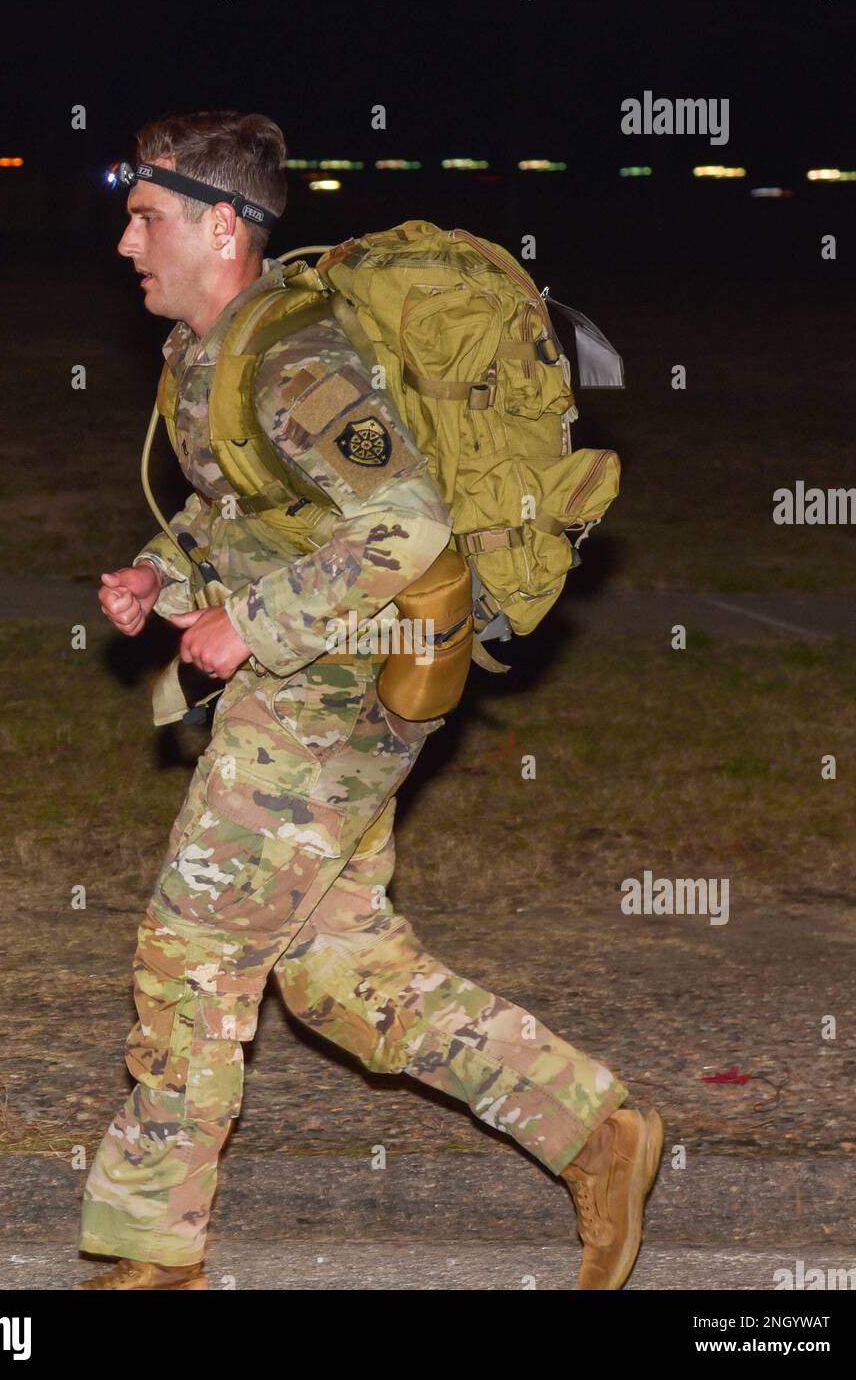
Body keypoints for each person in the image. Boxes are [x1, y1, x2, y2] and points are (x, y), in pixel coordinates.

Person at [75, 109, 663, 1291]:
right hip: (329, 679)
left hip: (337, 683)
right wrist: (166, 573)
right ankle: (594, 1130)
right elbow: (248, 514)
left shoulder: (295, 355)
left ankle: (152, 1258)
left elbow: (405, 521)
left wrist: (255, 622)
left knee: (192, 958)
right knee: (340, 979)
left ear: (222, 225)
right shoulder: (209, 351)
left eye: (145, 218)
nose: (127, 245)